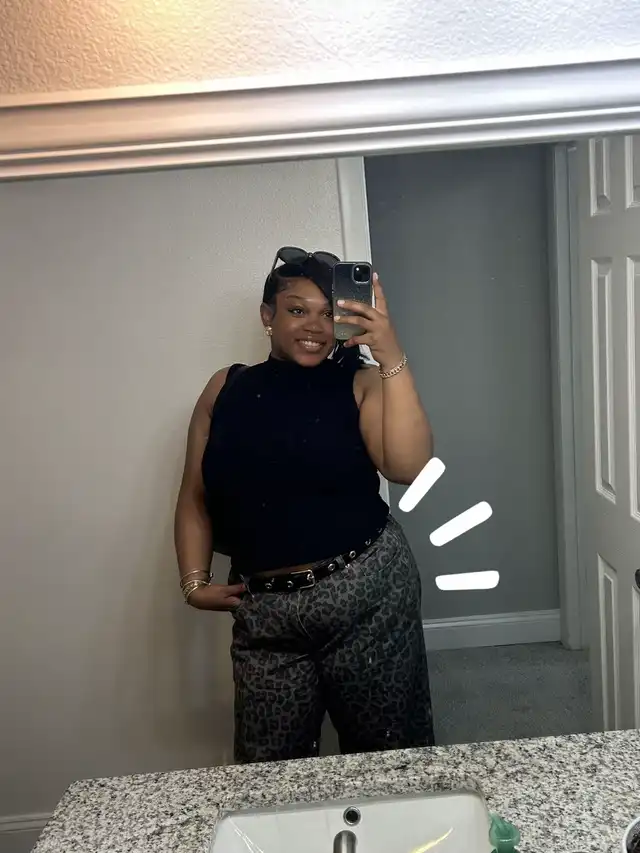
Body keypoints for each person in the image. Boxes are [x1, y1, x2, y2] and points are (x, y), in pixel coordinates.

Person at [174, 246, 435, 763]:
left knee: (389, 756)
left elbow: (408, 468)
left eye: (327, 313)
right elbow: (194, 494)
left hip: (367, 595)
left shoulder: (361, 382)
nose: (314, 326)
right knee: (269, 771)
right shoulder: (225, 388)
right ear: (267, 317)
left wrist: (390, 355)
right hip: (265, 611)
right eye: (297, 310)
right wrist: (193, 582)